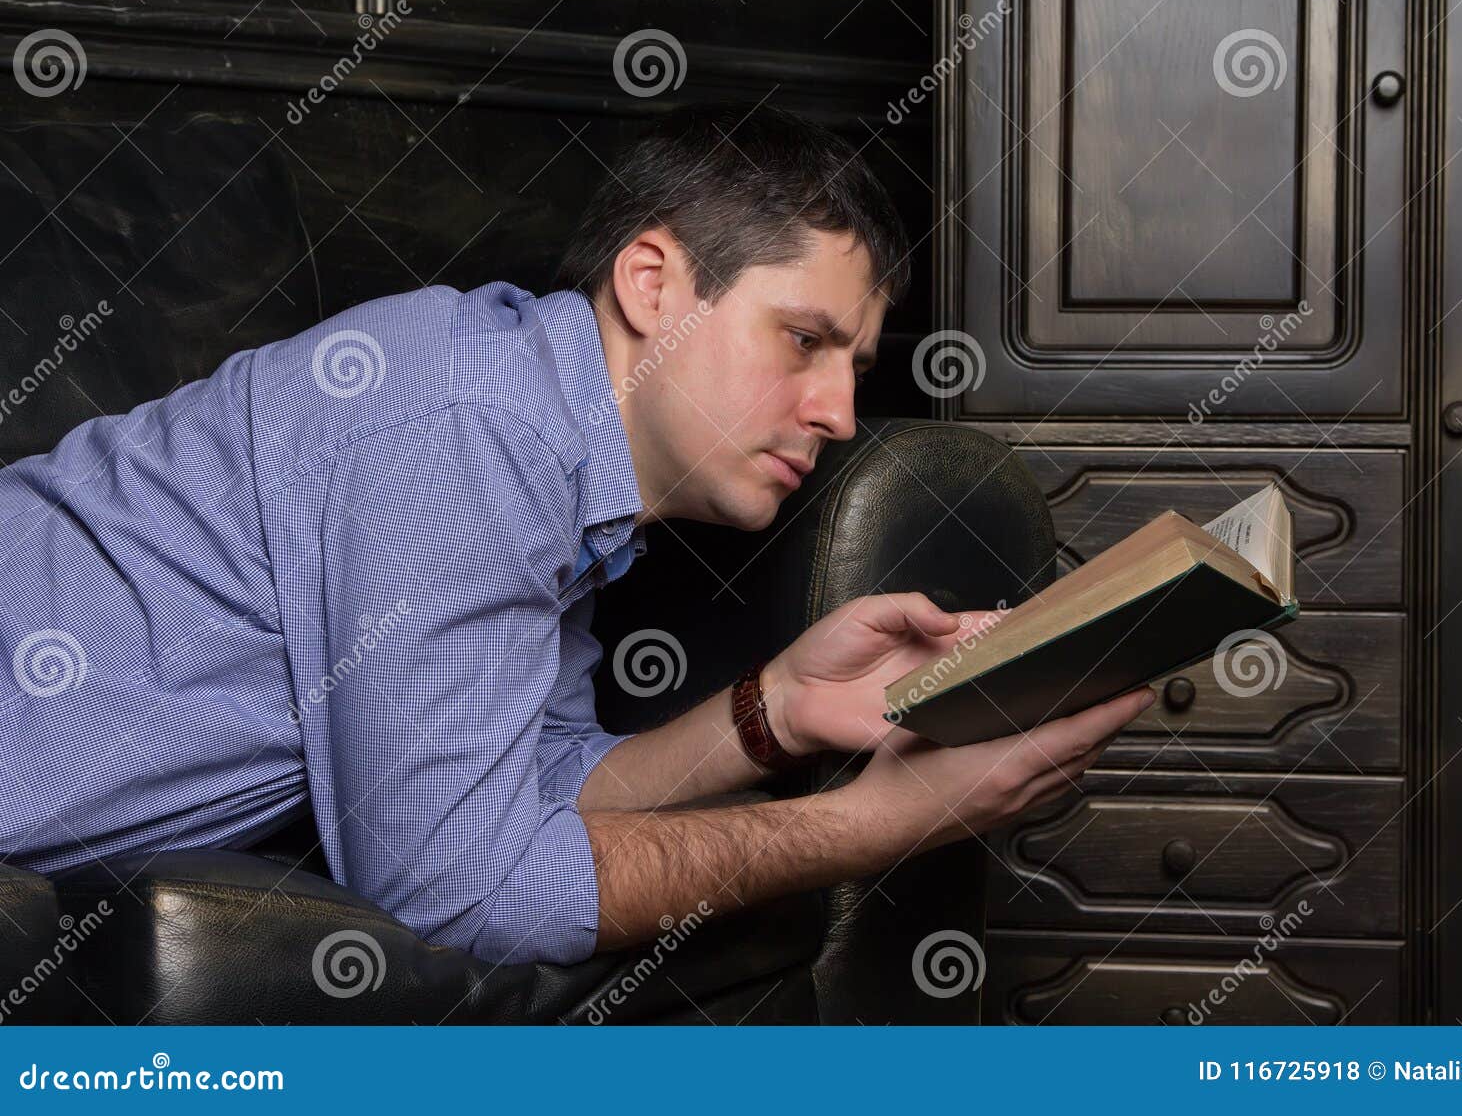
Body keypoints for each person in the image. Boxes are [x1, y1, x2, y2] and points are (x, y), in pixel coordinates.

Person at [0, 103, 1152, 965]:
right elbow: (458, 885)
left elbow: (540, 785)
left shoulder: (550, 453)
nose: (839, 412)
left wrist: (780, 708)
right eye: (803, 340)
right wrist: (867, 824)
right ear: (651, 283)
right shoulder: (472, 423)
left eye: (852, 365)